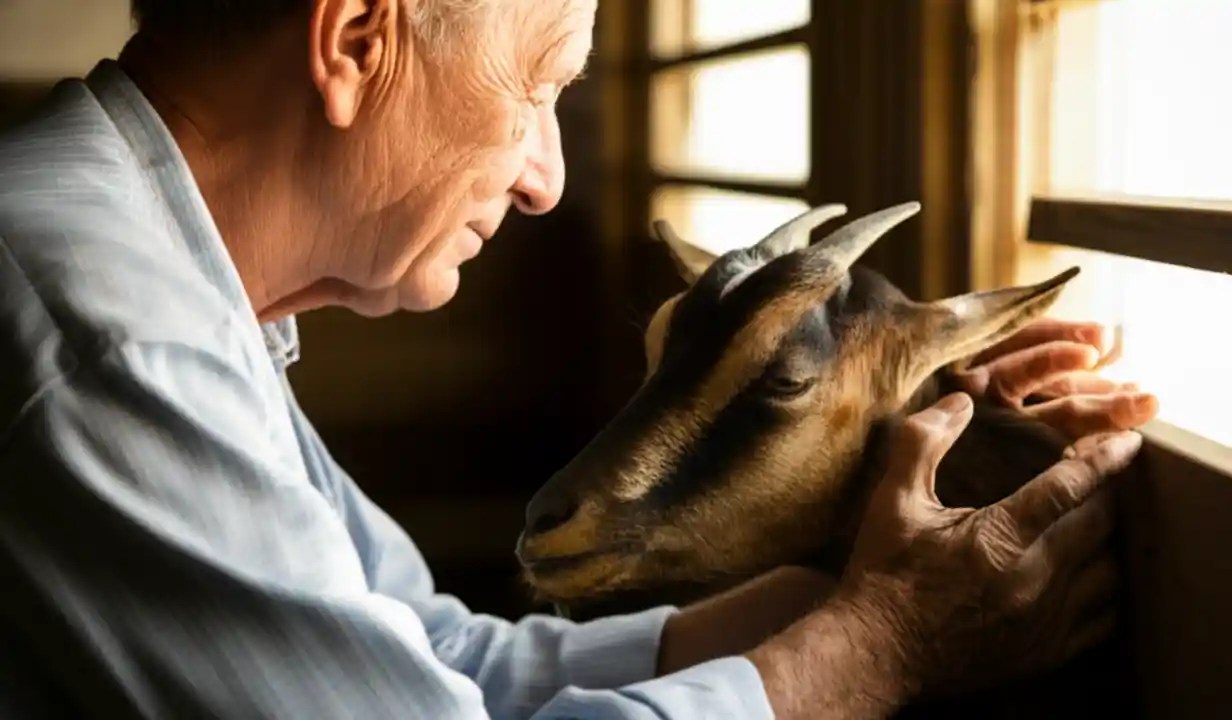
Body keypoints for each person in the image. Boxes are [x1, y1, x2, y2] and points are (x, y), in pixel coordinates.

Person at [0, 1, 1157, 718]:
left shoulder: (150, 275)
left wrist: (866, 544)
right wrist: (880, 651)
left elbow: (435, 663)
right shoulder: (115, 343)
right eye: (541, 83)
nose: (546, 177)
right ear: (356, 39)